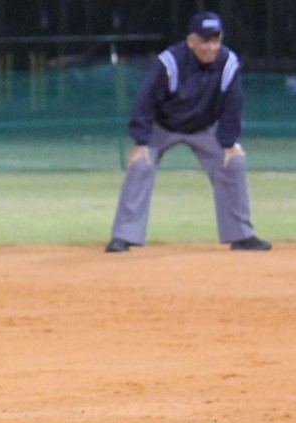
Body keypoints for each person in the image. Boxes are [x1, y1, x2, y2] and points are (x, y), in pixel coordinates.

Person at [105, 11, 270, 253]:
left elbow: (233, 105)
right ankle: (123, 236)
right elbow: (145, 100)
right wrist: (140, 141)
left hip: (204, 127)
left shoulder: (228, 63)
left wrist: (228, 142)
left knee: (232, 164)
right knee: (140, 165)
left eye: (216, 40)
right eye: (206, 40)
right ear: (191, 41)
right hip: (163, 126)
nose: (212, 47)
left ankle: (241, 235)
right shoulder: (169, 62)